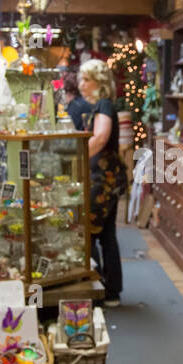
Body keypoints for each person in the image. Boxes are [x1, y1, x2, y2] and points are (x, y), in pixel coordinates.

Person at [69, 59, 126, 307]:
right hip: (102, 177)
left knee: (89, 232)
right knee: (106, 234)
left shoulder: (104, 105)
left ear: (99, 83)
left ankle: (96, 288)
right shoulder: (87, 106)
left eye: (86, 79)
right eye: (81, 79)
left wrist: (75, 159)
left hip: (103, 178)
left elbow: (101, 137)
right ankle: (110, 291)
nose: (81, 84)